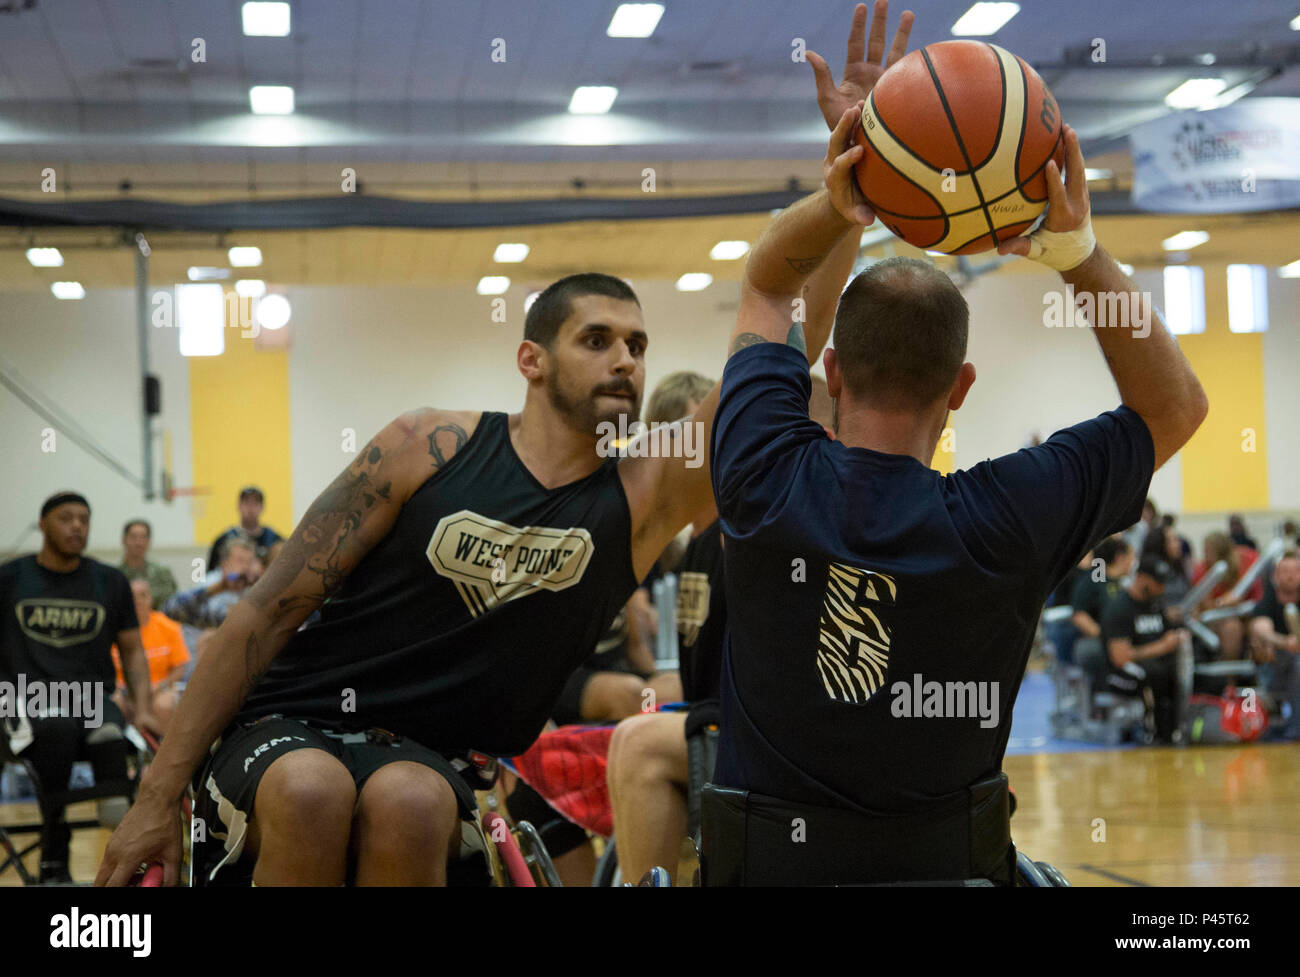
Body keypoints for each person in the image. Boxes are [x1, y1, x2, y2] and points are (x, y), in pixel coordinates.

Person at [97, 253, 858, 883]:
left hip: (435, 757)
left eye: (636, 344)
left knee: (412, 804)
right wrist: (155, 795)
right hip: (290, 719)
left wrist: (846, 203)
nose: (625, 359)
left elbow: (775, 363)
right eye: (597, 339)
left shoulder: (641, 493)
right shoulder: (427, 445)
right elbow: (261, 614)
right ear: (531, 358)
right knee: (310, 788)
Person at [701, 62, 1207, 882]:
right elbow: (1174, 407)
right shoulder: (1010, 514)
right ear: (961, 387)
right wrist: (1077, 251)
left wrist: (851, 190)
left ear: (832, 373)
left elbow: (767, 281)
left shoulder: (762, 473)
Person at [0, 493, 159, 883]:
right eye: (66, 518)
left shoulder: (110, 581)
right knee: (56, 729)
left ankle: (125, 852)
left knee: (110, 732)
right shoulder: (9, 579)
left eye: (84, 520)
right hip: (25, 696)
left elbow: (134, 651)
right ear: (43, 524)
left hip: (91, 698)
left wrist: (144, 707)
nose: (77, 527)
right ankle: (55, 851)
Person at [1100, 555, 1187, 744]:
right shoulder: (1119, 607)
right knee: (1151, 674)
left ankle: (1176, 729)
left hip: (1156, 661)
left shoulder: (1155, 604)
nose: (1162, 588)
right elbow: (1120, 657)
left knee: (1178, 671)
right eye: (1158, 582)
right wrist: (1162, 647)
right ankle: (1152, 732)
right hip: (1122, 670)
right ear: (1141, 578)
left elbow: (1167, 633)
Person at [111, 580, 190, 734]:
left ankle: (162, 752)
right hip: (124, 689)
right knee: (114, 702)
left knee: (163, 705)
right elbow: (103, 666)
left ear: (151, 599)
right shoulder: (114, 628)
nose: (138, 601)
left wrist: (159, 686)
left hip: (160, 688)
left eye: (143, 596)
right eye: (133, 597)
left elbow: (180, 668)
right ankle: (123, 751)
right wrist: (119, 688)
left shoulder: (169, 627)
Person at [1249, 551, 1300, 739]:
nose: (1290, 575)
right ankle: (1292, 728)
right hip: (1273, 668)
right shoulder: (1267, 602)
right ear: (1276, 576)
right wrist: (1284, 642)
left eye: (1296, 570)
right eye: (1285, 571)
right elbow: (1262, 629)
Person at [162, 537, 262, 631]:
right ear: (225, 564)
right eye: (240, 561)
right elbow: (171, 609)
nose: (245, 567)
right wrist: (221, 586)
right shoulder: (209, 583)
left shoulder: (254, 586)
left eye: (249, 562)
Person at [1193, 531, 1262, 660]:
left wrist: (1235, 603)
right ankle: (1230, 678)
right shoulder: (1202, 569)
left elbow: (1257, 596)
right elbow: (1206, 606)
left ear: (1221, 551)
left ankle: (1258, 671)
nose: (1205, 555)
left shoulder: (1247, 559)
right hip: (1219, 618)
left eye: (1208, 551)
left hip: (1245, 613)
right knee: (1232, 627)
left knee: (1257, 626)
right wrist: (1222, 603)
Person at [1067, 537, 1132, 673]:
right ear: (1120, 558)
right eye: (1131, 557)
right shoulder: (1092, 581)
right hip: (1100, 641)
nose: (1132, 562)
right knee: (1093, 651)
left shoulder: (1128, 584)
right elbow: (1079, 616)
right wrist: (1105, 637)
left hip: (1125, 639)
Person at [206, 486, 282, 570]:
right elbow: (212, 574)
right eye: (246, 503)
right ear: (239, 506)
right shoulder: (224, 540)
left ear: (262, 507)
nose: (250, 508)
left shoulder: (274, 540)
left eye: (255, 503)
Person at [118, 519, 177, 609]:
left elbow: (173, 605)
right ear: (124, 540)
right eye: (133, 537)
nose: (138, 543)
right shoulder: (115, 575)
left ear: (149, 541)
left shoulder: (162, 573)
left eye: (143, 537)